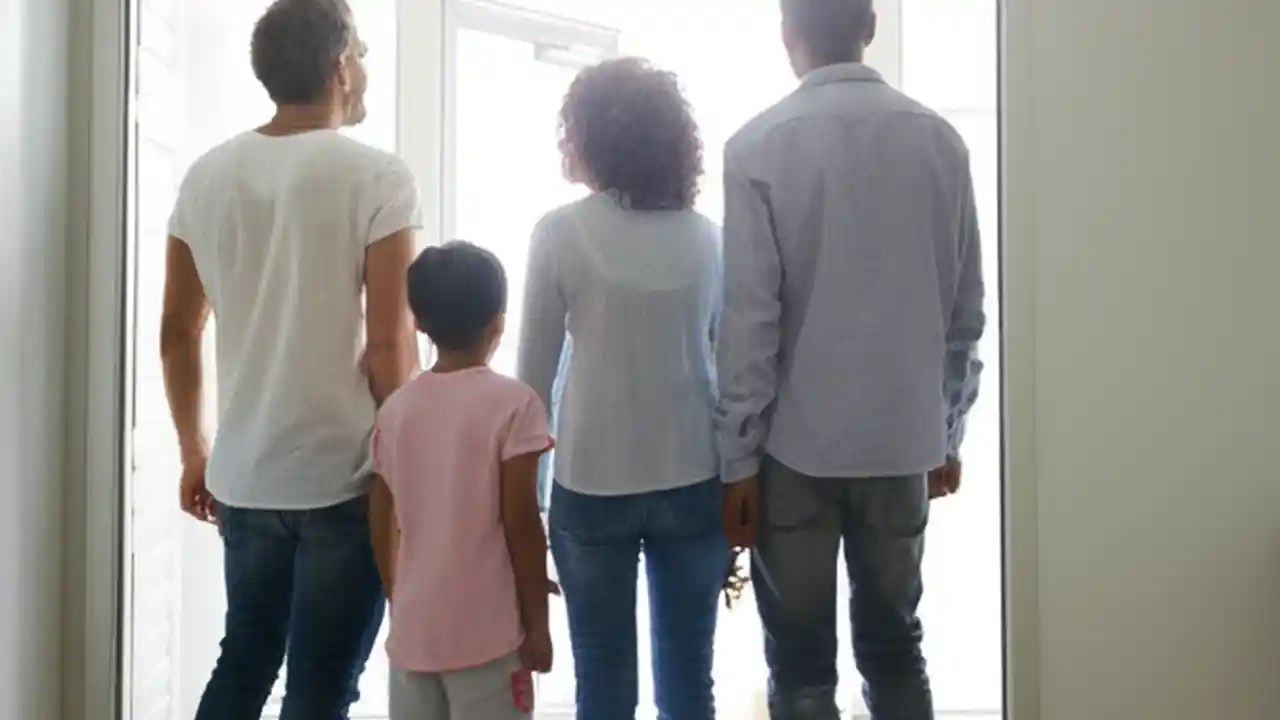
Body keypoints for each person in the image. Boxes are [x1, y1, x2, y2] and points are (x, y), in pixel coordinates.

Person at [716, 0, 986, 718]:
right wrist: (947, 430)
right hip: (904, 444)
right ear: (868, 29)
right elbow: (964, 314)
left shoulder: (756, 147)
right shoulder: (940, 142)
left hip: (794, 453)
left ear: (786, 35)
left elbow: (750, 322)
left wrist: (736, 462)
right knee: (897, 649)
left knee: (802, 668)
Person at [159, 1, 421, 717]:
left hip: (244, 477)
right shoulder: (378, 177)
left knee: (242, 662)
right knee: (321, 687)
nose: (363, 67)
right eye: (360, 53)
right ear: (339, 67)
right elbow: (392, 343)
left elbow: (179, 330)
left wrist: (194, 450)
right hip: (343, 475)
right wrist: (408, 464)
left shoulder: (206, 177)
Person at [518, 58, 727, 719]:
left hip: (591, 484)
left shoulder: (558, 234)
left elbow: (530, 384)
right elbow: (730, 373)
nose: (561, 142)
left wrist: (522, 502)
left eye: (568, 128)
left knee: (603, 687)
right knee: (689, 684)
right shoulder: (711, 240)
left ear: (597, 136)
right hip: (697, 478)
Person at [367, 242, 555, 720]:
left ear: (420, 322)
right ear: (499, 322)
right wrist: (538, 624)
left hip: (415, 634)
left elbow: (380, 514)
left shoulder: (396, 410)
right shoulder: (515, 405)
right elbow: (522, 524)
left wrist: (398, 596)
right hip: (488, 638)